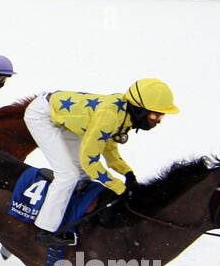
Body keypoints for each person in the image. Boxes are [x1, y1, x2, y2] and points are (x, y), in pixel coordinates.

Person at [24, 78, 179, 247]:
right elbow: (89, 160)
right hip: (42, 116)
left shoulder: (124, 113)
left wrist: (127, 173)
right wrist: (118, 186)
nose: (158, 120)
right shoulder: (110, 116)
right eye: (155, 115)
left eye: (161, 115)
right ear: (140, 110)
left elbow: (108, 147)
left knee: (82, 176)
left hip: (65, 120)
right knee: (68, 175)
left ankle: (69, 213)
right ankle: (45, 230)